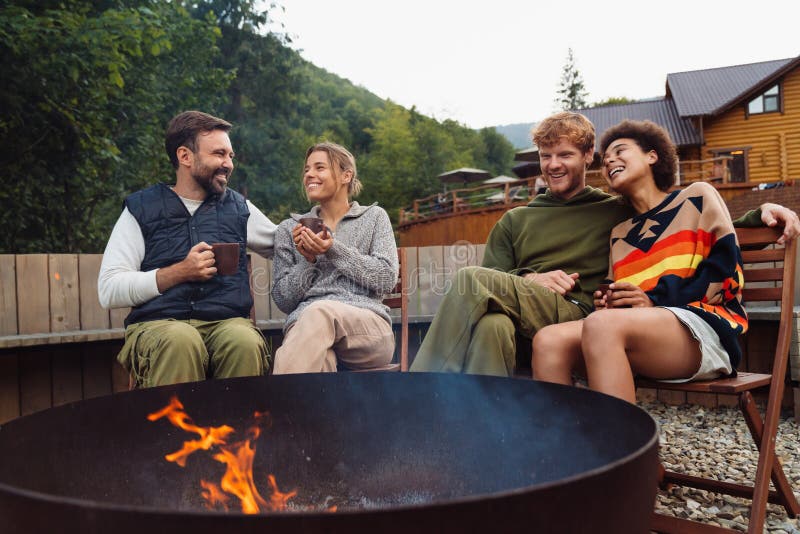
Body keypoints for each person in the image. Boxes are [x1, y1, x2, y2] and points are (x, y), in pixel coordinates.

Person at [409, 111, 799, 377]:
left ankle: (417, 397)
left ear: (587, 157)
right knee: (492, 325)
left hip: (583, 315)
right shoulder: (515, 220)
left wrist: (763, 211)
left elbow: (685, 221)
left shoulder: (616, 211)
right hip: (524, 322)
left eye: (565, 154)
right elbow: (493, 280)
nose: (553, 164)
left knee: (468, 279)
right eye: (546, 156)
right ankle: (483, 434)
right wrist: (529, 278)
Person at [532, 120, 746, 403]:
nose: (610, 161)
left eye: (620, 151)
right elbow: (619, 298)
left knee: (602, 325)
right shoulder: (620, 233)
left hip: (705, 331)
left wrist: (652, 301)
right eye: (606, 159)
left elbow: (724, 273)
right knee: (548, 340)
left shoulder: (697, 197)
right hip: (636, 335)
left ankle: (620, 432)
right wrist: (608, 300)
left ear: (652, 155)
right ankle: (562, 432)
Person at [98, 111, 276, 387]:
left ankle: (239, 418)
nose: (228, 164)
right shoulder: (141, 209)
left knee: (244, 342)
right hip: (160, 325)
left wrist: (320, 233)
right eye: (219, 154)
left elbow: (286, 245)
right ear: (185, 156)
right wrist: (179, 272)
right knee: (180, 341)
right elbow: (109, 290)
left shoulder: (240, 208)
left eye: (230, 156)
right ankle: (174, 420)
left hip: (227, 323)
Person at [270, 142, 398, 373]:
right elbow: (283, 300)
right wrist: (308, 261)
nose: (309, 174)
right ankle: (291, 397)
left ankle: (277, 396)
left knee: (319, 312)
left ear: (346, 175)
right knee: (320, 361)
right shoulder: (288, 229)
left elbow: (386, 279)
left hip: (368, 331)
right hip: (307, 332)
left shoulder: (374, 218)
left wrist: (332, 249)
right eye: (307, 169)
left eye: (319, 168)